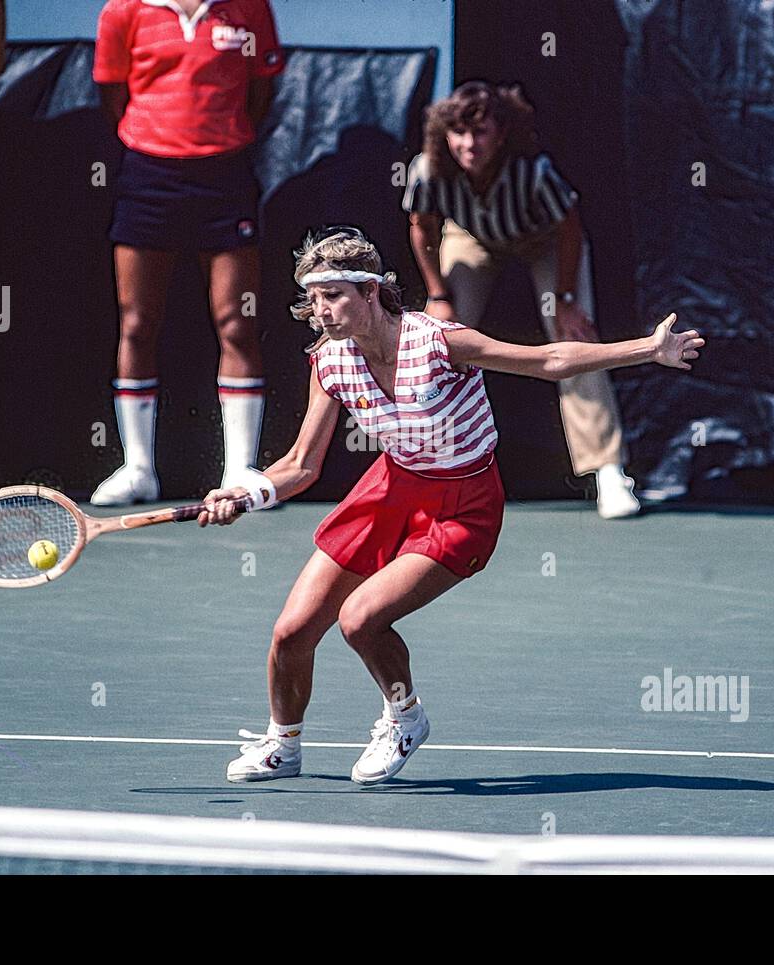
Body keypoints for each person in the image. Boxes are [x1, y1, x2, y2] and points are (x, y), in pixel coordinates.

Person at [199, 226, 703, 785]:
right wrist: (247, 493)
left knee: (361, 619)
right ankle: (282, 746)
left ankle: (405, 718)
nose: (322, 310)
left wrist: (647, 349)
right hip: (389, 488)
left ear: (371, 292)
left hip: (465, 501)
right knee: (291, 632)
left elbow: (549, 359)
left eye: (334, 295)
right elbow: (300, 464)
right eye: (314, 299)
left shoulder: (441, 342)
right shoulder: (330, 362)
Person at [403, 80, 642, 518]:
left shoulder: (533, 171)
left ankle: (608, 471)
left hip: (543, 241)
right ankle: (428, 471)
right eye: (458, 132)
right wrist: (438, 295)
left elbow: (569, 228)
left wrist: (566, 299)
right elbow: (422, 228)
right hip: (470, 238)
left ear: (501, 133)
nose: (468, 144)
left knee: (576, 343)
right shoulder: (428, 170)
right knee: (439, 341)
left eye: (480, 132)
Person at [90, 0, 284, 505]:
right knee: (136, 322)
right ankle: (138, 470)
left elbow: (262, 91)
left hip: (226, 175)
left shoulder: (250, 9)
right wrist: (158, 141)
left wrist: (218, 142)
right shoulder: (122, 11)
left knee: (237, 322)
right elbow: (113, 93)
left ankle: (239, 470)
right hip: (148, 176)